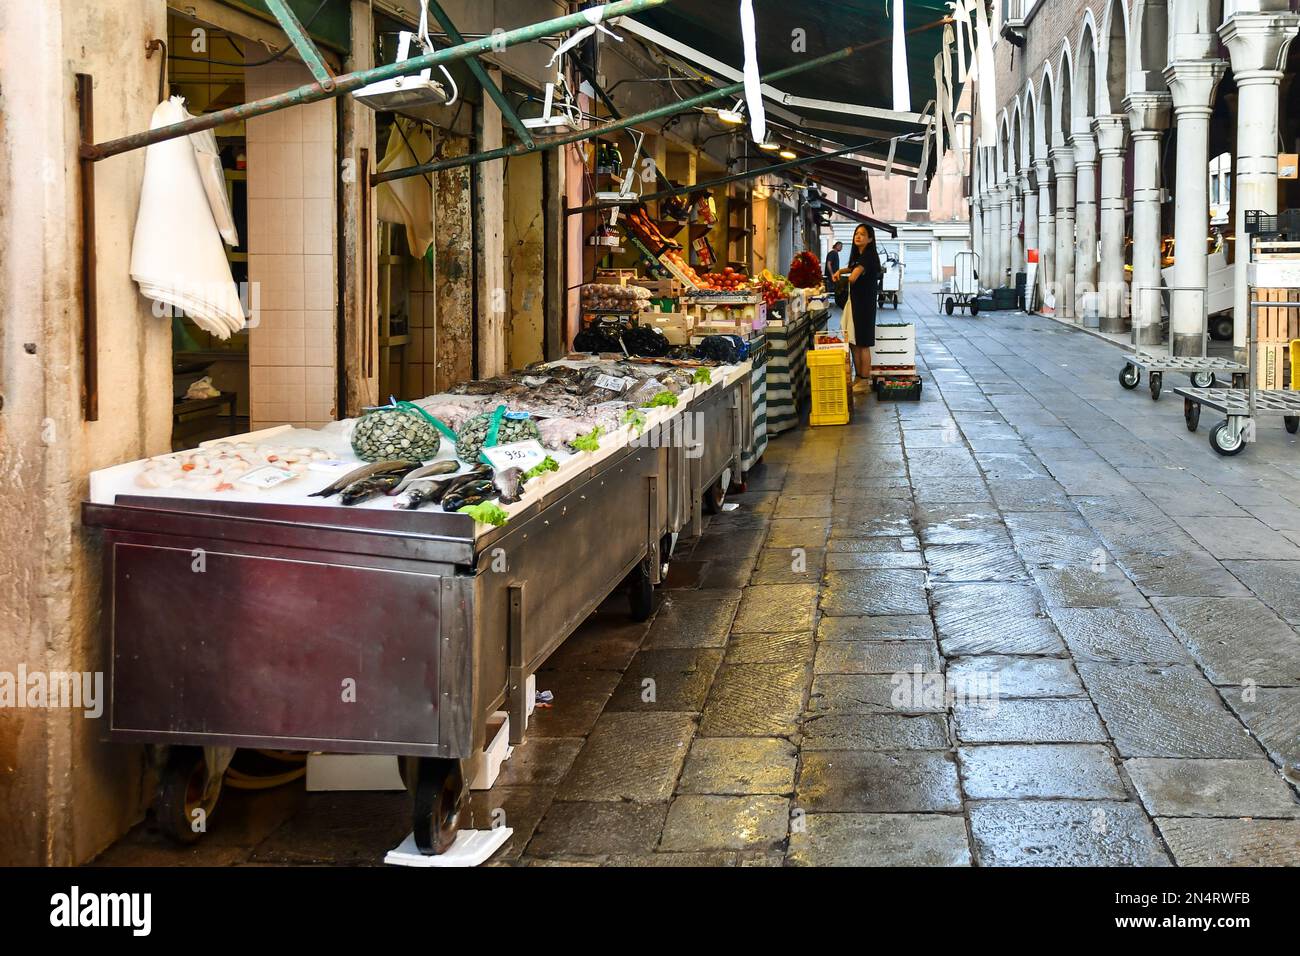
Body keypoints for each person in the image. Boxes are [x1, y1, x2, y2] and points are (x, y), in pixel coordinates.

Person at [832, 223, 881, 393]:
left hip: (864, 304)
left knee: (862, 343)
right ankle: (858, 376)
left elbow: (853, 277)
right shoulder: (859, 257)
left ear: (870, 238)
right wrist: (841, 270)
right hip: (855, 302)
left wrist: (839, 280)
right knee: (853, 341)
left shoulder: (868, 256)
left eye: (862, 234)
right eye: (856, 234)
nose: (858, 237)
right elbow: (852, 268)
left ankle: (864, 379)